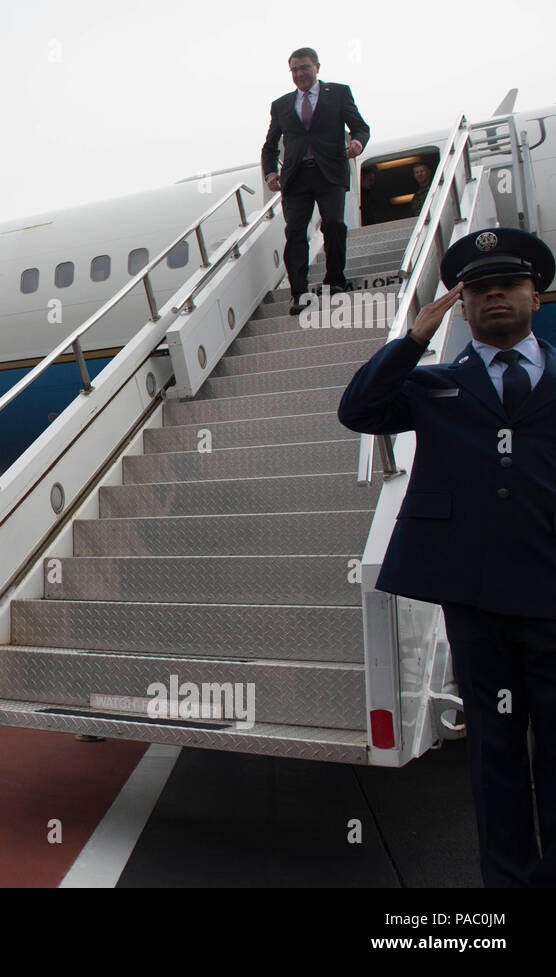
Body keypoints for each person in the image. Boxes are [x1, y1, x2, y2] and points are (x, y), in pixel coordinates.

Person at [337, 227, 556, 887]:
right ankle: (509, 882)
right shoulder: (434, 388)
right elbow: (359, 409)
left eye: (508, 285)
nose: (494, 296)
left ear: (536, 296)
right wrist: (409, 339)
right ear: (461, 308)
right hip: (479, 600)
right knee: (495, 752)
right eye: (478, 289)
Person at [261, 46, 370, 316]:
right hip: (296, 176)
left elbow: (360, 126)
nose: (299, 74)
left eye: (304, 68)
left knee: (333, 225)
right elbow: (269, 146)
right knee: (296, 232)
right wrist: (270, 172)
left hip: (329, 170)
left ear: (317, 67)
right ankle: (299, 293)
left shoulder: (339, 93)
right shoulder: (282, 104)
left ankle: (335, 280)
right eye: (294, 70)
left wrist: (357, 142)